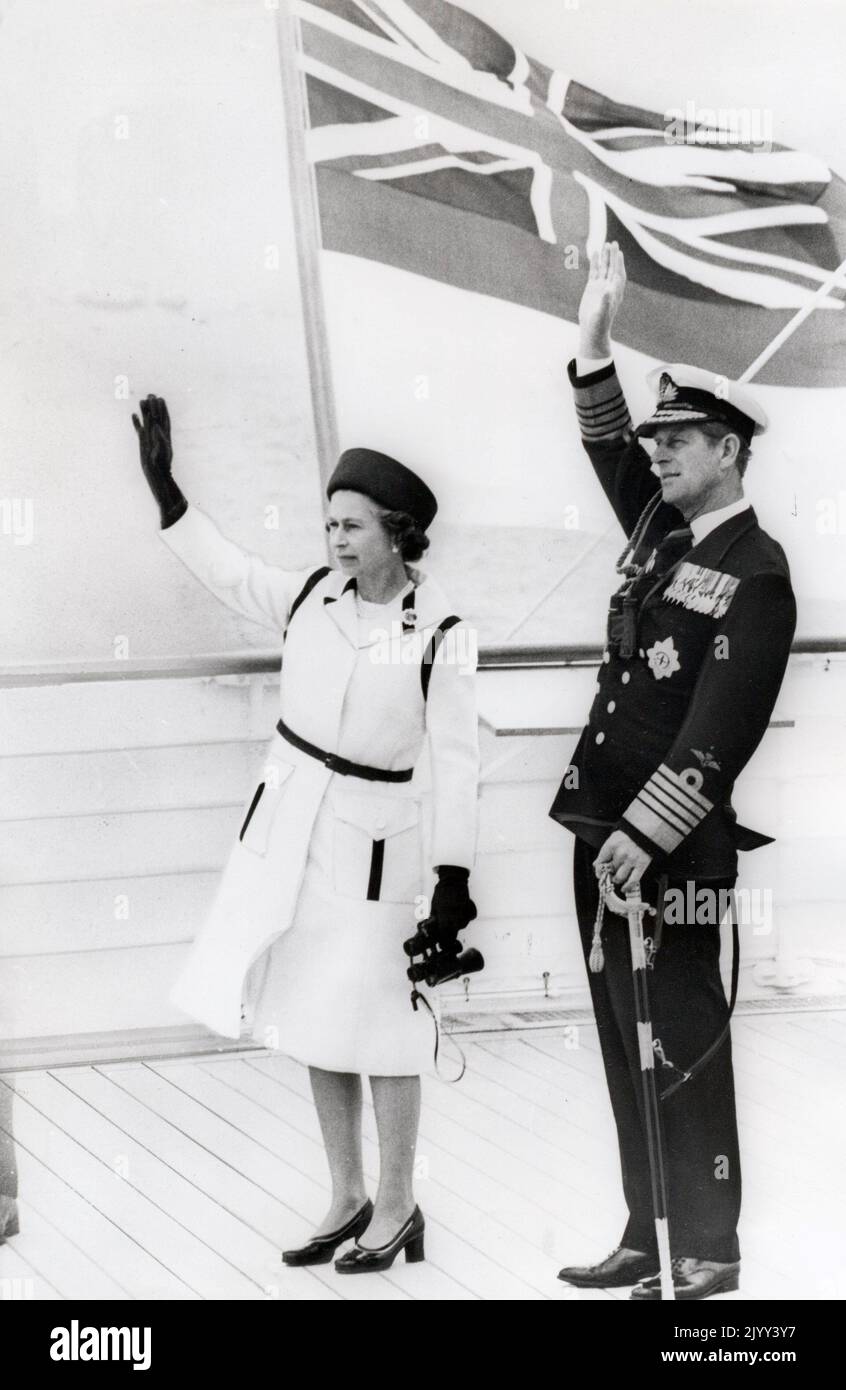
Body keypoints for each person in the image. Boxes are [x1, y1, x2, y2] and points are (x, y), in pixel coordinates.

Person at [132, 398, 479, 1272]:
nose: (337, 540)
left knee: (386, 1022)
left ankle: (398, 1205)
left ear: (399, 534)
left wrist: (453, 877)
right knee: (312, 1014)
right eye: (330, 524)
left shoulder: (440, 631)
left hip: (379, 843)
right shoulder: (309, 596)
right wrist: (169, 494)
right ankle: (347, 1194)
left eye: (354, 526)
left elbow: (460, 762)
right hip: (296, 831)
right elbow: (230, 572)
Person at [549, 242, 796, 1301]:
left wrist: (641, 839)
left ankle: (710, 1245)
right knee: (621, 1038)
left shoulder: (757, 570)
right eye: (656, 440)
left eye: (680, 440)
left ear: (730, 450)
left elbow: (716, 733)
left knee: (682, 1037)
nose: (657, 455)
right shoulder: (665, 535)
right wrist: (592, 339)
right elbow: (607, 443)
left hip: (669, 848)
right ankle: (647, 1234)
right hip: (598, 838)